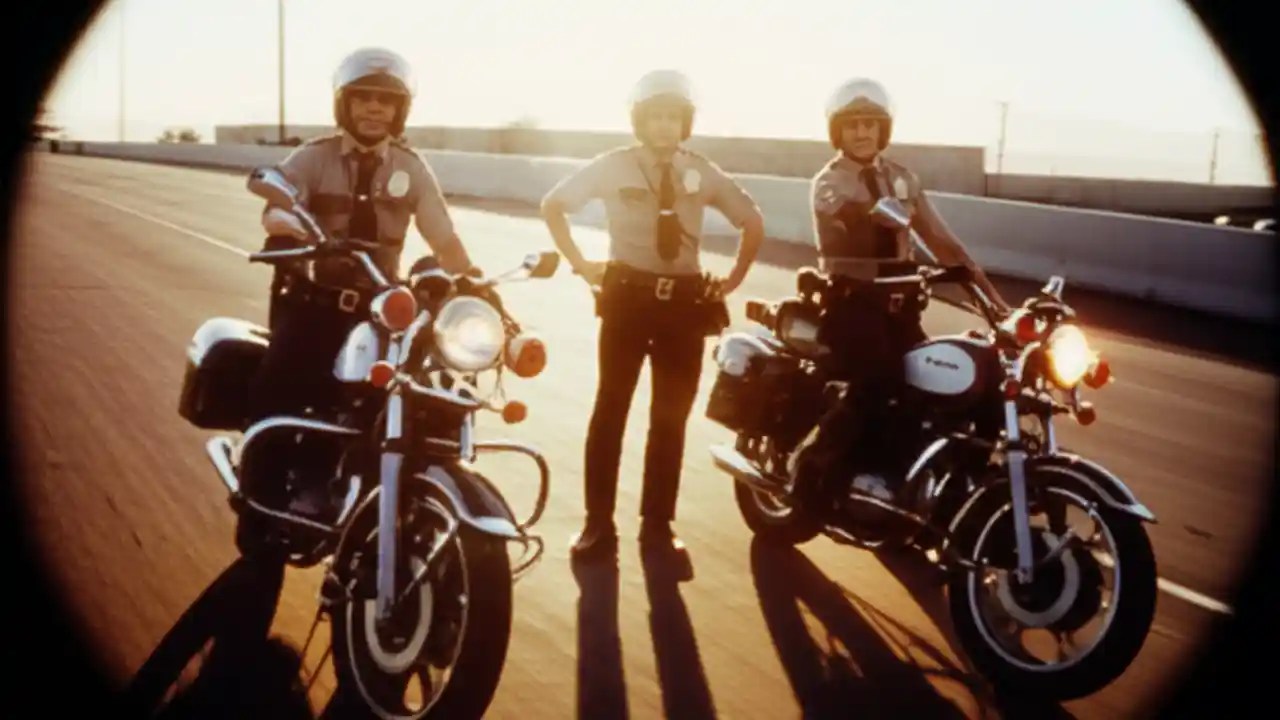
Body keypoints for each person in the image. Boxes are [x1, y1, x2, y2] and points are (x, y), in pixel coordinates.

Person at [540, 69, 765, 560]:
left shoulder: (703, 172)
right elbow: (554, 204)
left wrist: (730, 281)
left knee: (670, 419)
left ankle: (658, 527)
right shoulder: (612, 165)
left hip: (684, 306)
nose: (665, 126)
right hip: (627, 299)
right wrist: (582, 267)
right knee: (611, 410)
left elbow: (752, 221)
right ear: (639, 121)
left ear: (686, 121)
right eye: (656, 116)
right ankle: (597, 525)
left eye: (673, 116)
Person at [247, 47, 477, 513]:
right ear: (345, 105)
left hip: (382, 312)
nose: (375, 108)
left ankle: (384, 496)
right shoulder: (315, 157)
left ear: (400, 110)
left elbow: (443, 235)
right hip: (314, 302)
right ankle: (259, 506)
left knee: (411, 397)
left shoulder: (410, 168)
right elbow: (277, 204)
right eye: (364, 98)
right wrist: (286, 222)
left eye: (386, 100)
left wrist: (473, 281)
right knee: (277, 391)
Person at [792, 77, 1011, 502]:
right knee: (879, 381)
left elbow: (945, 243)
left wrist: (998, 304)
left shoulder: (903, 180)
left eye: (870, 124)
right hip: (852, 309)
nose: (862, 132)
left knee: (952, 382)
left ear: (883, 130)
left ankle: (919, 487)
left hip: (900, 312)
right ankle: (812, 470)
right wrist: (874, 214)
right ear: (837, 130)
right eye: (853, 124)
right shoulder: (830, 181)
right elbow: (851, 217)